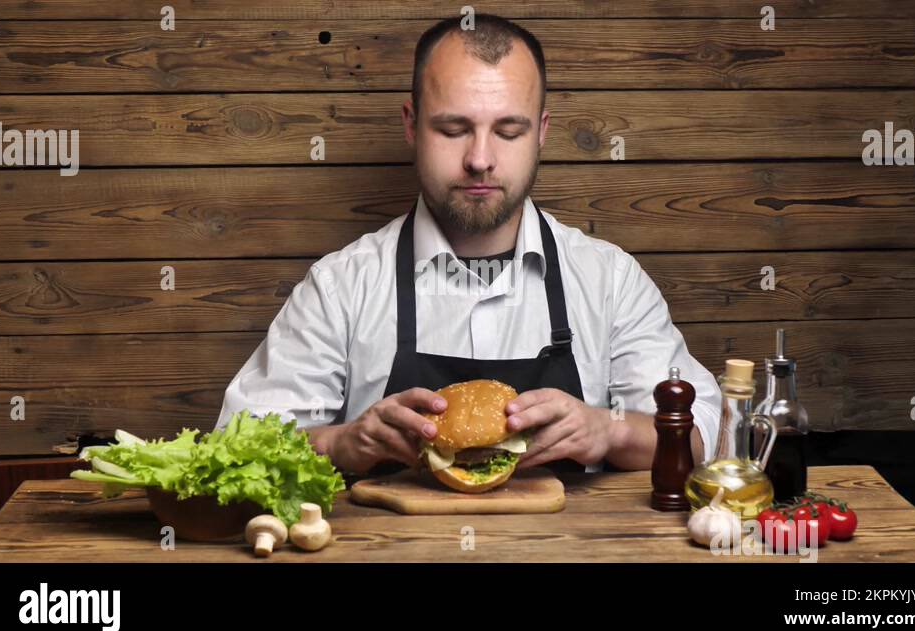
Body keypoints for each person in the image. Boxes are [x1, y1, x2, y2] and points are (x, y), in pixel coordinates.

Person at [216, 14, 721, 476]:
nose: (480, 159)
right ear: (411, 125)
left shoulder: (610, 280)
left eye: (508, 130)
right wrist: (341, 443)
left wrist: (609, 430)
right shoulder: (340, 286)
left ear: (541, 132)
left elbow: (701, 437)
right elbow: (237, 449)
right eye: (454, 129)